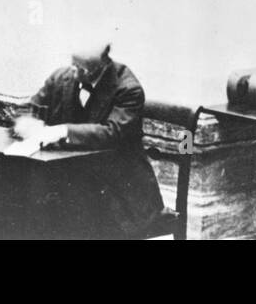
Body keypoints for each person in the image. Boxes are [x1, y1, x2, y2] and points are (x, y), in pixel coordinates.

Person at [12, 32, 165, 239]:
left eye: (81, 68)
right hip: (72, 182)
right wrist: (25, 123)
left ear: (102, 64)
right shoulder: (61, 78)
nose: (74, 72)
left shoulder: (128, 89)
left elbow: (112, 132)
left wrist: (63, 131)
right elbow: (28, 108)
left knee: (69, 217)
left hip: (118, 191)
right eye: (73, 64)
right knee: (26, 208)